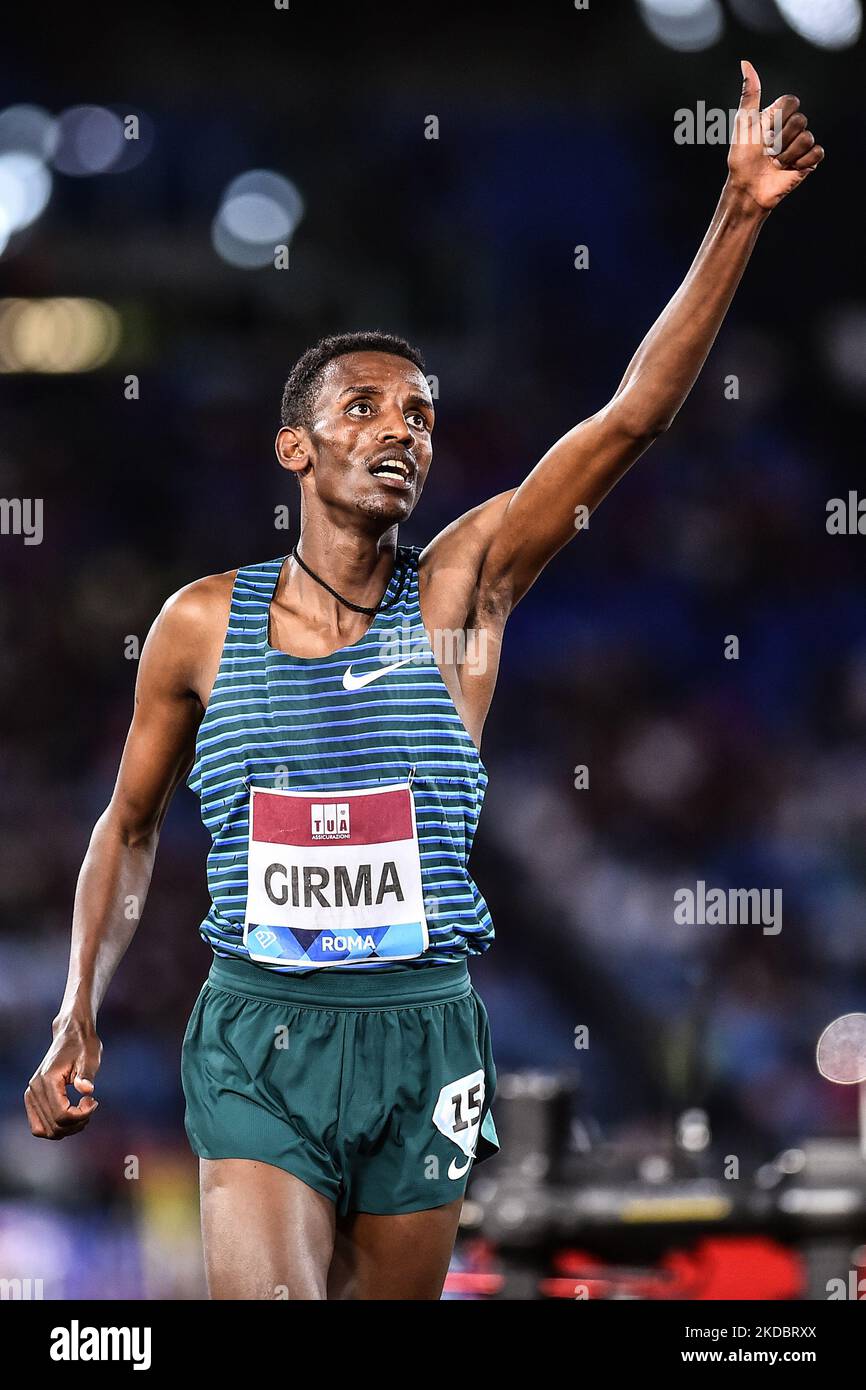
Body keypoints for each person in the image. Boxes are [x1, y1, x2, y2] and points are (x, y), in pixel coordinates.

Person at [25, 62, 823, 1299]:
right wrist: (79, 1006)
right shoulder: (195, 624)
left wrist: (735, 216)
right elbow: (126, 825)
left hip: (424, 1033)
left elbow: (629, 420)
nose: (401, 428)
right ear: (295, 446)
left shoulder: (463, 592)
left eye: (421, 413)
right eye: (364, 408)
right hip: (260, 1031)